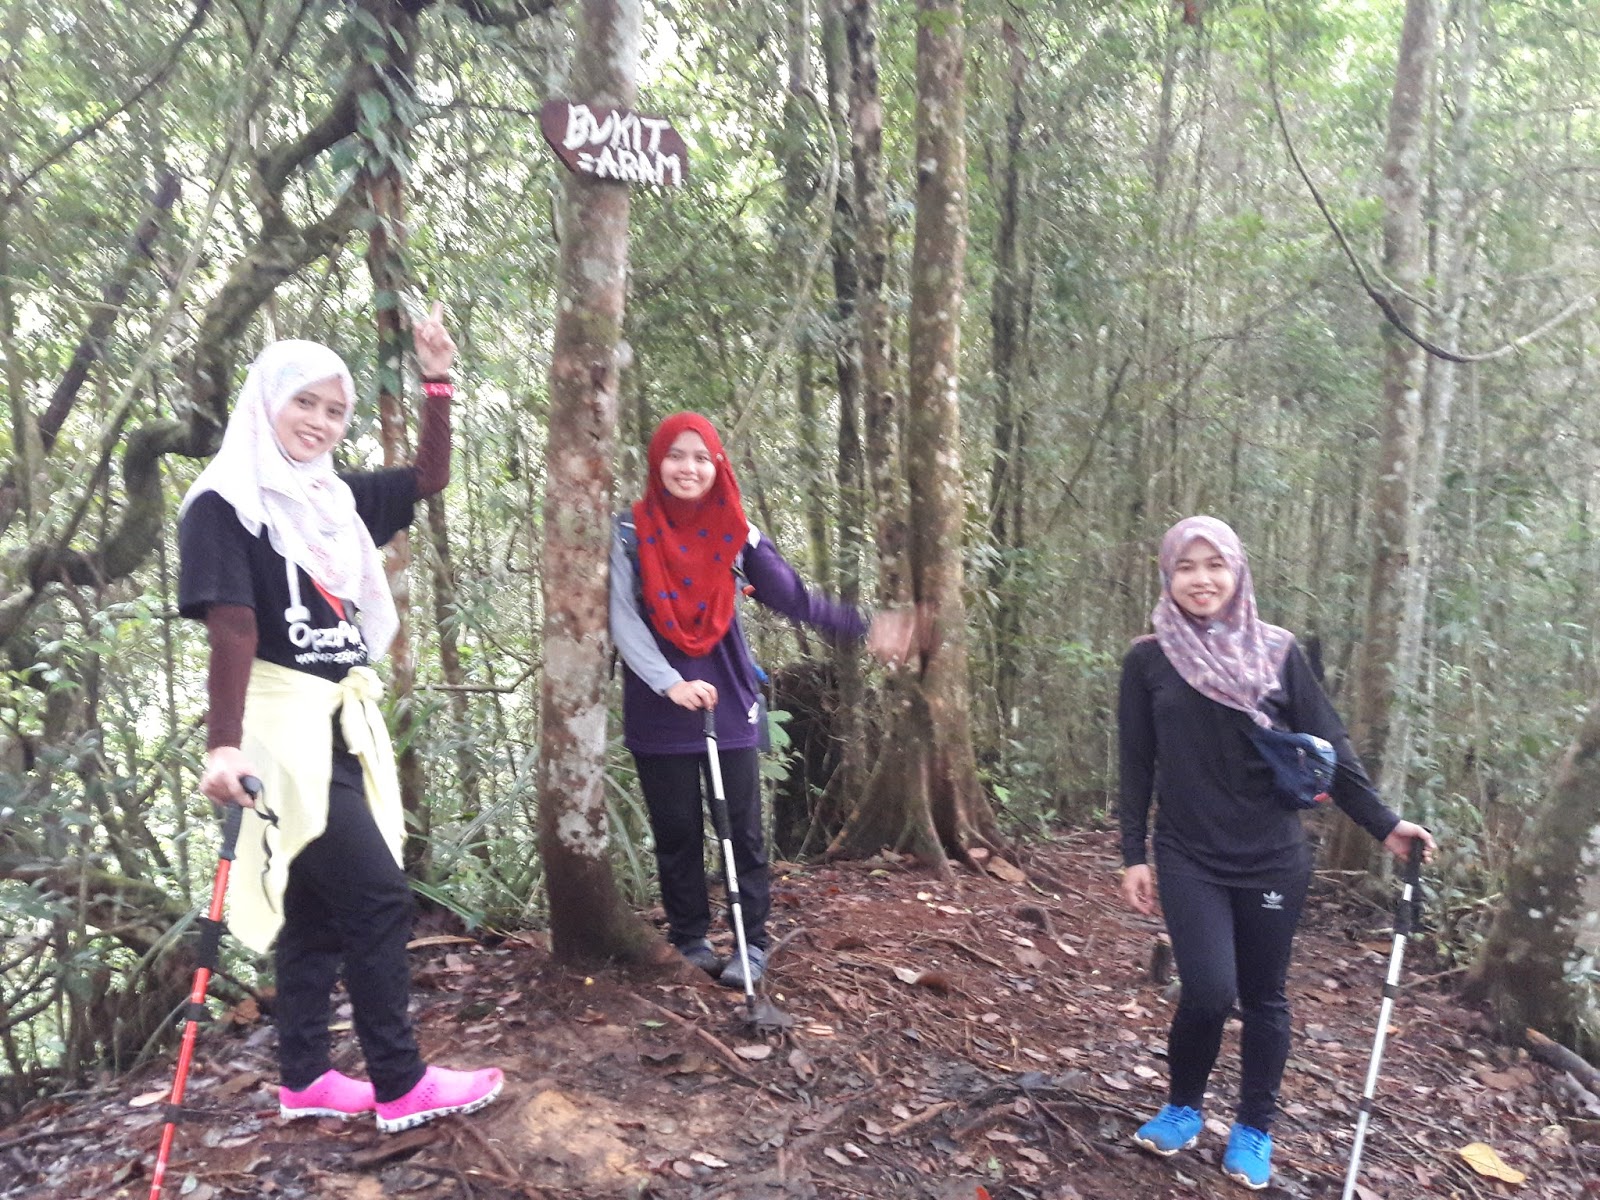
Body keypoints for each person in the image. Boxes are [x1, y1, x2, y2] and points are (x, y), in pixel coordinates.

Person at [177, 304, 503, 1133]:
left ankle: (307, 1078)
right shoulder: (224, 502)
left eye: (335, 409)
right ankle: (399, 1084)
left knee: (317, 911)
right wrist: (222, 745)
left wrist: (438, 381)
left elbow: (428, 479)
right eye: (305, 403)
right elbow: (233, 626)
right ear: (266, 403)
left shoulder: (333, 498)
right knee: (380, 901)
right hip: (280, 732)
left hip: (339, 721)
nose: (319, 422)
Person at [1117, 515, 1434, 1191]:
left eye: (1215, 566)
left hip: (1271, 853)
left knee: (1264, 996)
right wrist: (1131, 852)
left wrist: (1384, 824)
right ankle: (1183, 1107)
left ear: (1238, 572)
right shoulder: (1148, 658)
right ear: (1168, 575)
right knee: (1207, 987)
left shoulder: (1280, 650)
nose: (1201, 580)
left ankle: (1255, 1126)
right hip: (1187, 851)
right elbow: (1135, 762)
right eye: (1187, 567)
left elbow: (1331, 746)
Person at [610, 411, 913, 988]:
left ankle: (752, 943)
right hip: (658, 704)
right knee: (675, 831)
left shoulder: (735, 531)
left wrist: (865, 627)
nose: (689, 468)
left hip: (727, 701)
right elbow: (623, 620)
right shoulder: (629, 532)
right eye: (677, 455)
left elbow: (792, 598)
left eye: (702, 457)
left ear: (718, 464)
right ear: (657, 461)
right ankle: (689, 937)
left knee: (742, 830)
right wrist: (668, 683)